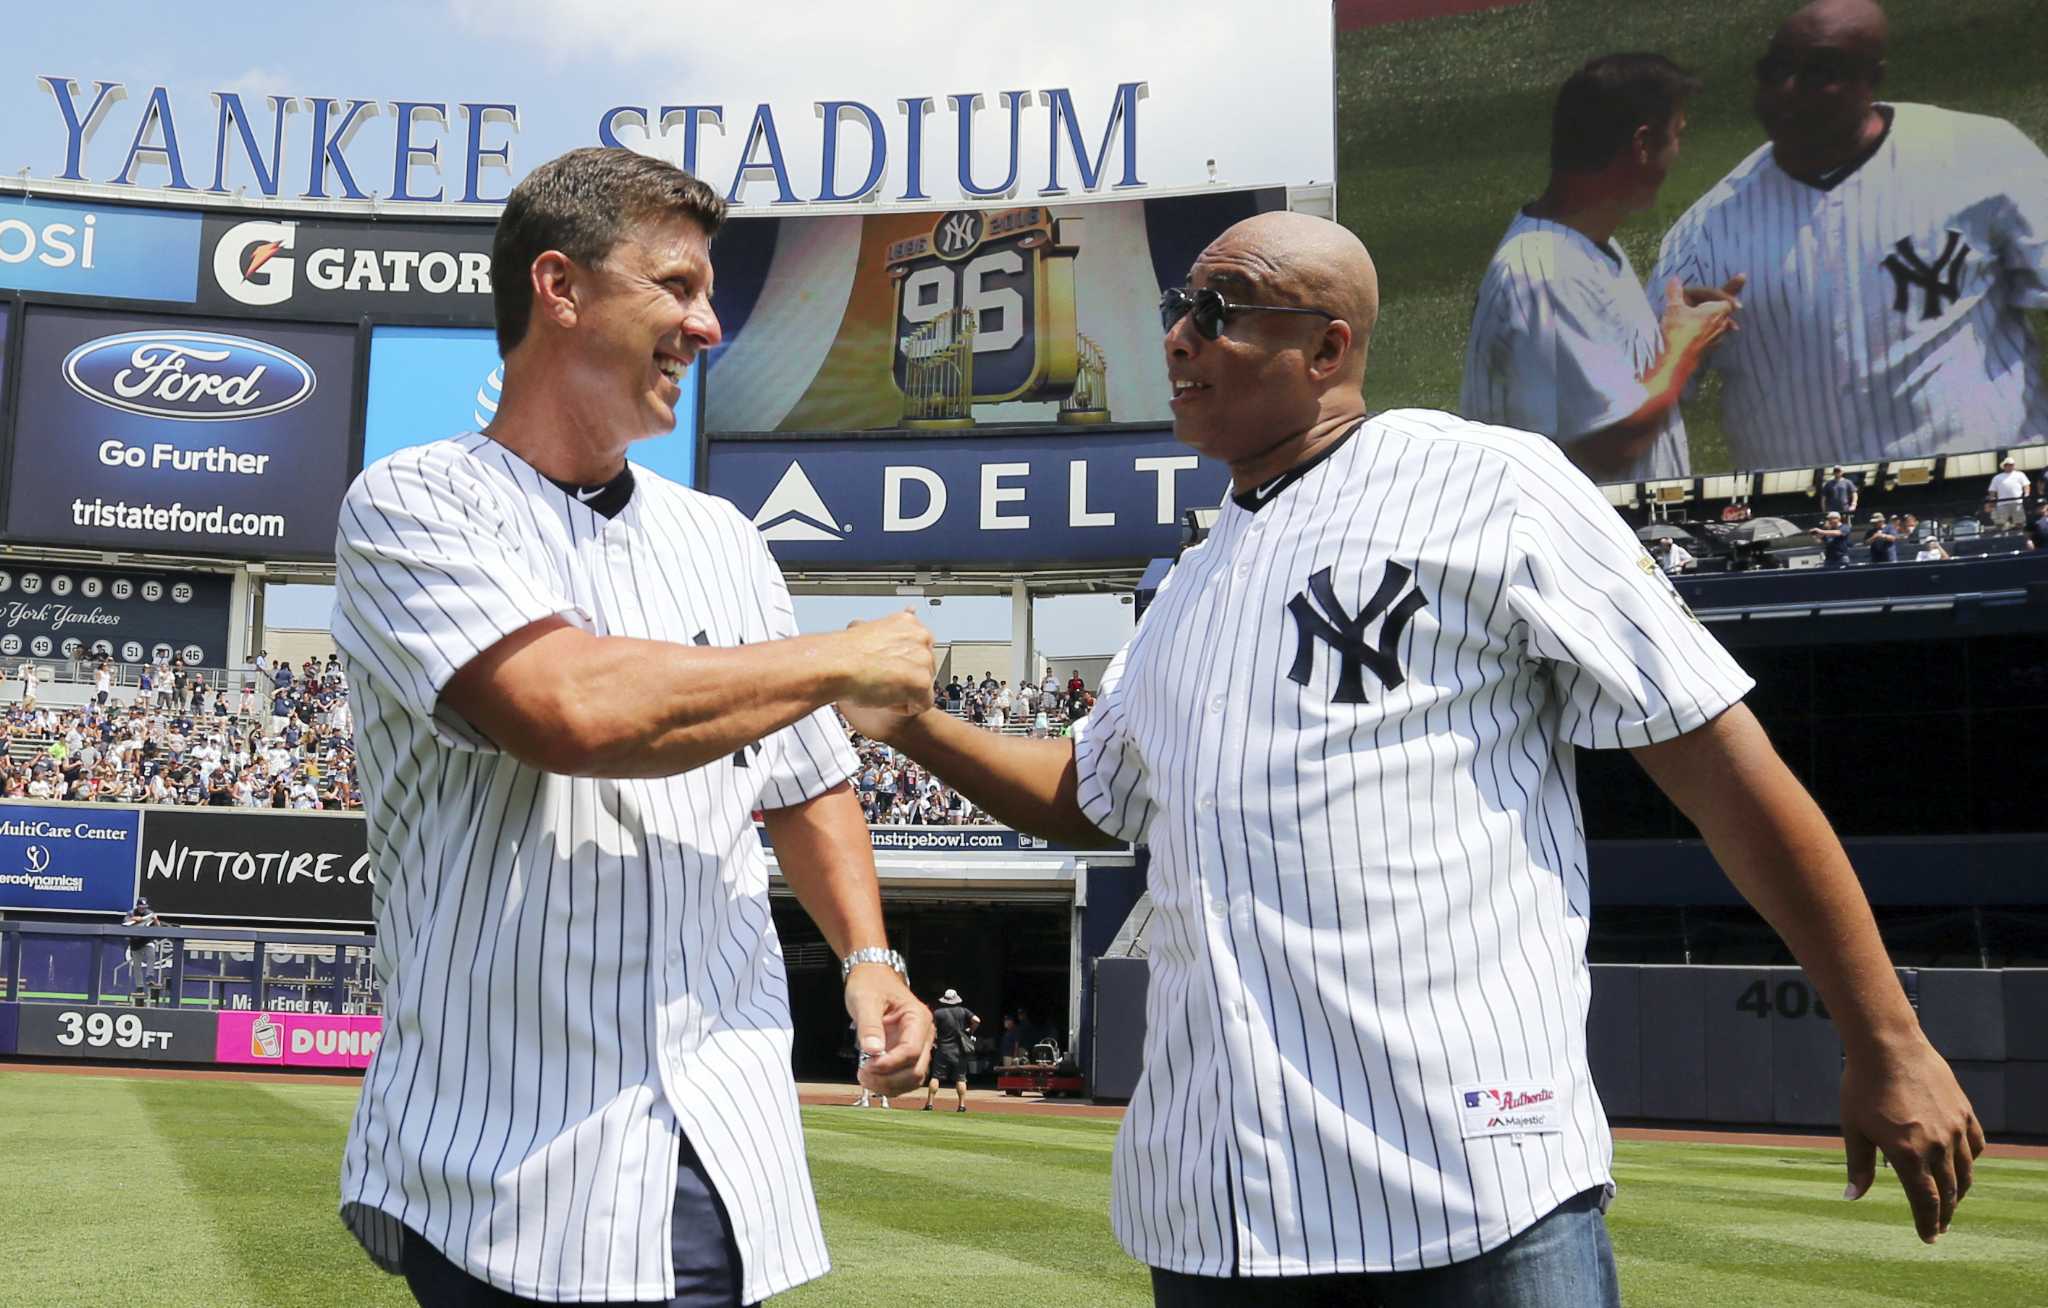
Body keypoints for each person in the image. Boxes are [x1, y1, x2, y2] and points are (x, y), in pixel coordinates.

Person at [842, 210, 1981, 1305]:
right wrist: (913, 724)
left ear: (1327, 347)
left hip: (1472, 1179)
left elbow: (1725, 772)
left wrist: (1885, 1040)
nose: (1179, 335)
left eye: (1220, 309)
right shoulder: (1185, 584)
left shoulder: (1491, 483)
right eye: (1175, 307)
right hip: (1215, 1203)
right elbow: (1091, 797)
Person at [331, 147, 937, 1308]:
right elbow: (568, 710)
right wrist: (838, 655)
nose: (706, 327)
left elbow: (805, 783)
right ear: (558, 289)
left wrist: (868, 957)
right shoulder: (413, 502)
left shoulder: (720, 536)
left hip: (715, 1123)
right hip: (505, 1148)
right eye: (676, 287)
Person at [1650, 0, 2048, 470]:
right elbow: (1644, 401)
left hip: (1990, 492)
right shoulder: (1705, 232)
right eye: (1775, 70)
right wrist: (1673, 348)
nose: (1788, 90)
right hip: (1800, 524)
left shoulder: (1983, 157)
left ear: (1871, 79)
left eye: (1819, 73)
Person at [1462, 53, 1739, 483]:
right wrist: (1685, 348)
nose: (1679, 152)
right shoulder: (1545, 272)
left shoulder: (1588, 247)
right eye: (1677, 136)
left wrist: (1668, 330)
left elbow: (1614, 391)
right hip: (1583, 545)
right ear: (1643, 146)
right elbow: (1611, 447)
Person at [924, 988, 980, 1113]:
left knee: (936, 1076)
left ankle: (930, 1104)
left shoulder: (938, 1013)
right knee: (961, 1078)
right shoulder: (963, 1011)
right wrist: (970, 1031)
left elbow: (930, 1028)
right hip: (959, 1050)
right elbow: (977, 1020)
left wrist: (933, 1041)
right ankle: (961, 1105)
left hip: (943, 1048)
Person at [1988, 458, 2030, 529]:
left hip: (2017, 502)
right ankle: (2000, 537)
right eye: (2008, 465)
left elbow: (2026, 485)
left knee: (2019, 522)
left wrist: (2026, 494)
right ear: (2004, 466)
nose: (2010, 466)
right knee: (2000, 523)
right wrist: (1992, 498)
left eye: (2012, 464)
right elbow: (1992, 490)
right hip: (2002, 503)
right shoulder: (1997, 477)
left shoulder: (2020, 474)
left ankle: (2021, 536)